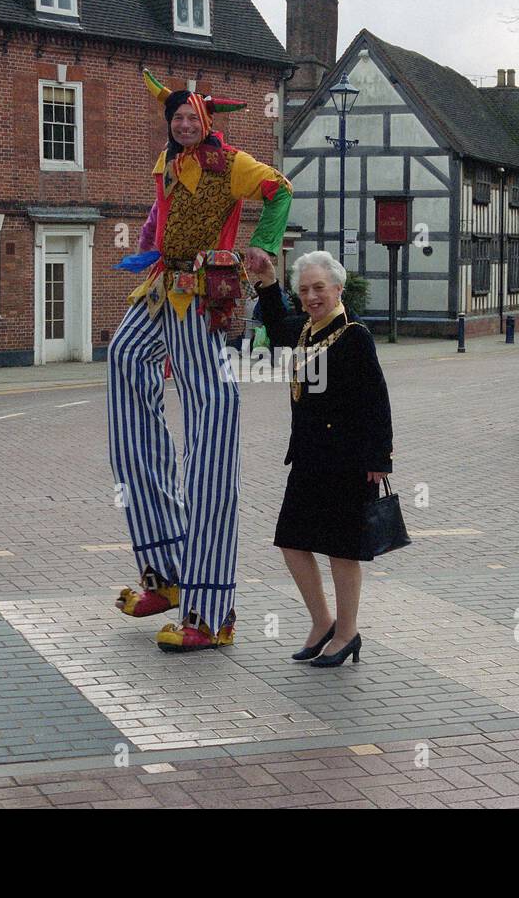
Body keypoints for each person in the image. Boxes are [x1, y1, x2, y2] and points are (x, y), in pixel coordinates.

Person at [108, 71, 292, 653]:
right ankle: (165, 570)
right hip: (163, 287)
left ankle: (211, 612)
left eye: (192, 119)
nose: (184, 126)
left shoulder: (231, 162)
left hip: (201, 300)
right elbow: (158, 216)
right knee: (122, 357)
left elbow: (279, 189)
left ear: (206, 122)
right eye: (176, 119)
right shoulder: (165, 164)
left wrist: (264, 240)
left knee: (210, 444)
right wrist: (145, 246)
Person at [246, 250, 395, 667]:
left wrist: (379, 457)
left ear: (338, 290)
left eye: (319, 288)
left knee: (341, 550)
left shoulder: (355, 336)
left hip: (348, 462)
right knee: (292, 542)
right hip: (308, 459)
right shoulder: (306, 332)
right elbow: (275, 328)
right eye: (305, 290)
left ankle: (347, 632)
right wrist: (269, 282)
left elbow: (376, 399)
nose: (312, 296)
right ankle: (322, 621)